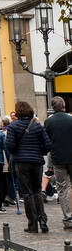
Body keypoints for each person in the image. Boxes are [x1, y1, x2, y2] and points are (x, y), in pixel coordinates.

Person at [5, 101, 52, 234]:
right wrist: (39, 151)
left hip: (21, 162)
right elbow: (48, 145)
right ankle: (43, 219)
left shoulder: (13, 126)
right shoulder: (37, 126)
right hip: (36, 162)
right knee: (37, 191)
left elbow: (9, 146)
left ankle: (32, 223)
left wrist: (17, 151)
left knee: (27, 192)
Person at [45, 95, 72, 231]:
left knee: (61, 188)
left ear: (52, 108)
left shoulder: (48, 122)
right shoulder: (70, 119)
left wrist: (49, 164)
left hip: (57, 159)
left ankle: (68, 218)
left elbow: (48, 143)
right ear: (64, 106)